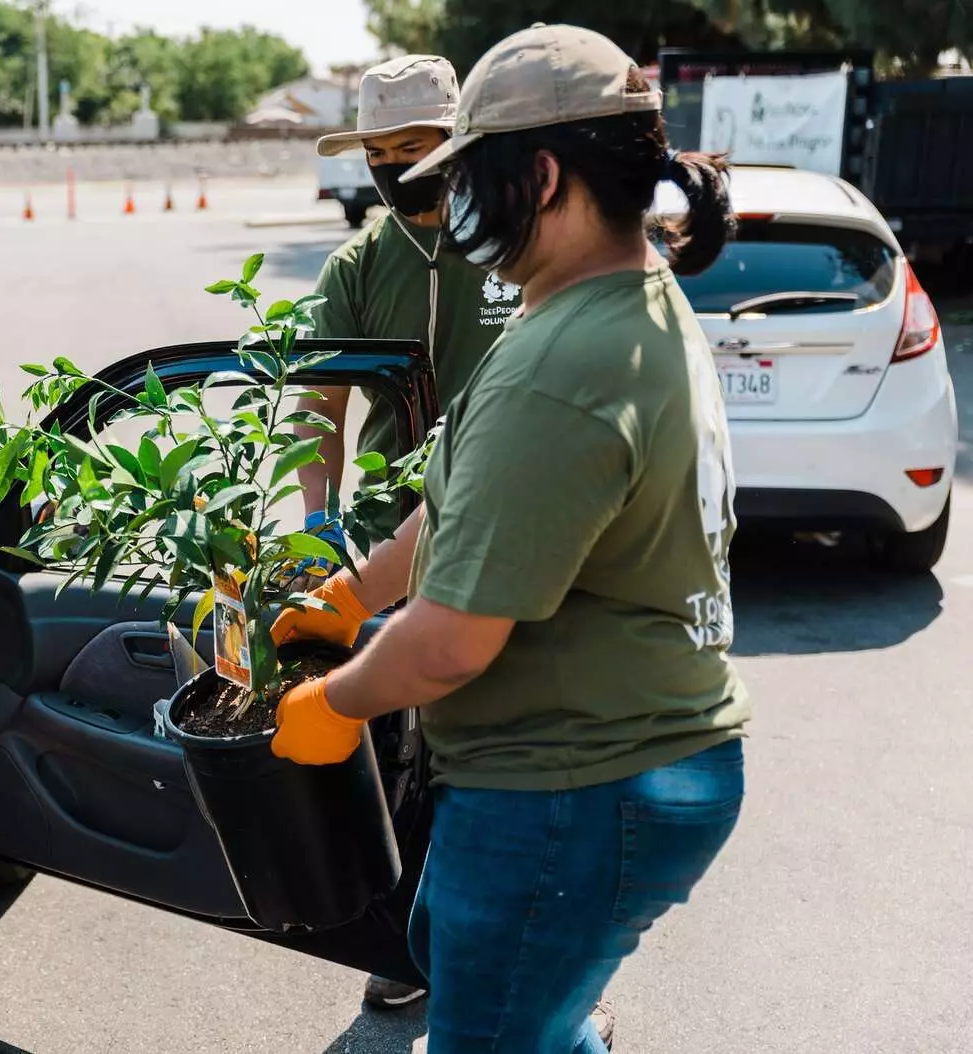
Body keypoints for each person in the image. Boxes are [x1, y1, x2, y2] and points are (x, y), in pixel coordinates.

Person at [271, 24, 748, 1053]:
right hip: (600, 769)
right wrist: (353, 594)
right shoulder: (612, 303)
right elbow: (454, 501)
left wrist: (331, 700)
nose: (446, 199)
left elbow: (449, 641)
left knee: (488, 1035)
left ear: (539, 173)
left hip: (572, 785)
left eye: (463, 173)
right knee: (485, 982)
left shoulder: (565, 360)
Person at [295, 54, 522, 580]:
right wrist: (320, 523)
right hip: (386, 539)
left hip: (503, 522)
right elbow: (320, 410)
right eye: (377, 152)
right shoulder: (355, 266)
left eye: (410, 148)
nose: (392, 165)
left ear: (454, 142)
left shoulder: (514, 244)